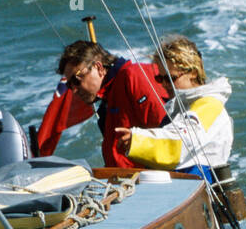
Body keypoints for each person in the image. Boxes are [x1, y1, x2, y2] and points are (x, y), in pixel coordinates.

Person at [113, 35, 232, 182]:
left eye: (171, 78)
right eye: (160, 79)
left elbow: (181, 142)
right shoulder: (180, 106)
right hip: (184, 183)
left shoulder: (209, 106)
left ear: (193, 73)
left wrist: (137, 141)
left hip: (202, 187)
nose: (164, 85)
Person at [35, 41, 170, 168]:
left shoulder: (133, 77)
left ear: (99, 67)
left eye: (76, 80)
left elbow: (168, 134)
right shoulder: (108, 100)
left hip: (150, 182)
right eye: (69, 85)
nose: (74, 90)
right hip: (124, 182)